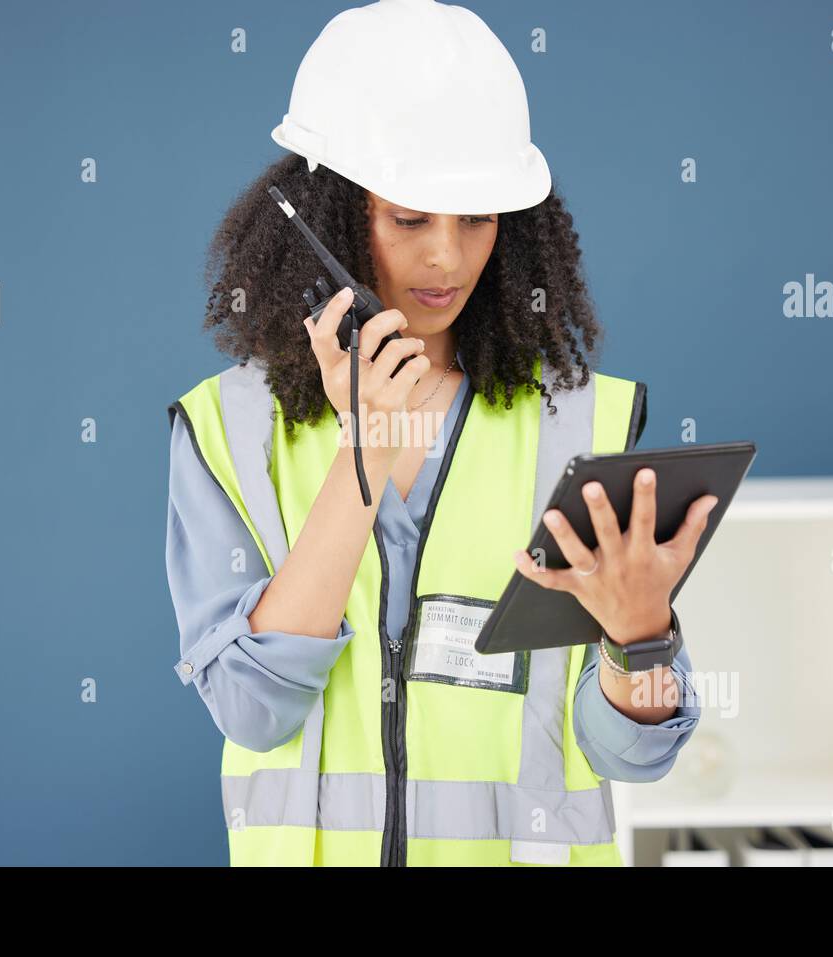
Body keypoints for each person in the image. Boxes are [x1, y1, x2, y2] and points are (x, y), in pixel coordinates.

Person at [165, 0, 717, 867]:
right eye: (411, 218)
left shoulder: (580, 424)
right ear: (330, 217)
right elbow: (252, 709)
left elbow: (631, 752)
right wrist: (365, 449)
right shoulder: (228, 430)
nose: (448, 260)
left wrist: (640, 636)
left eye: (477, 218)